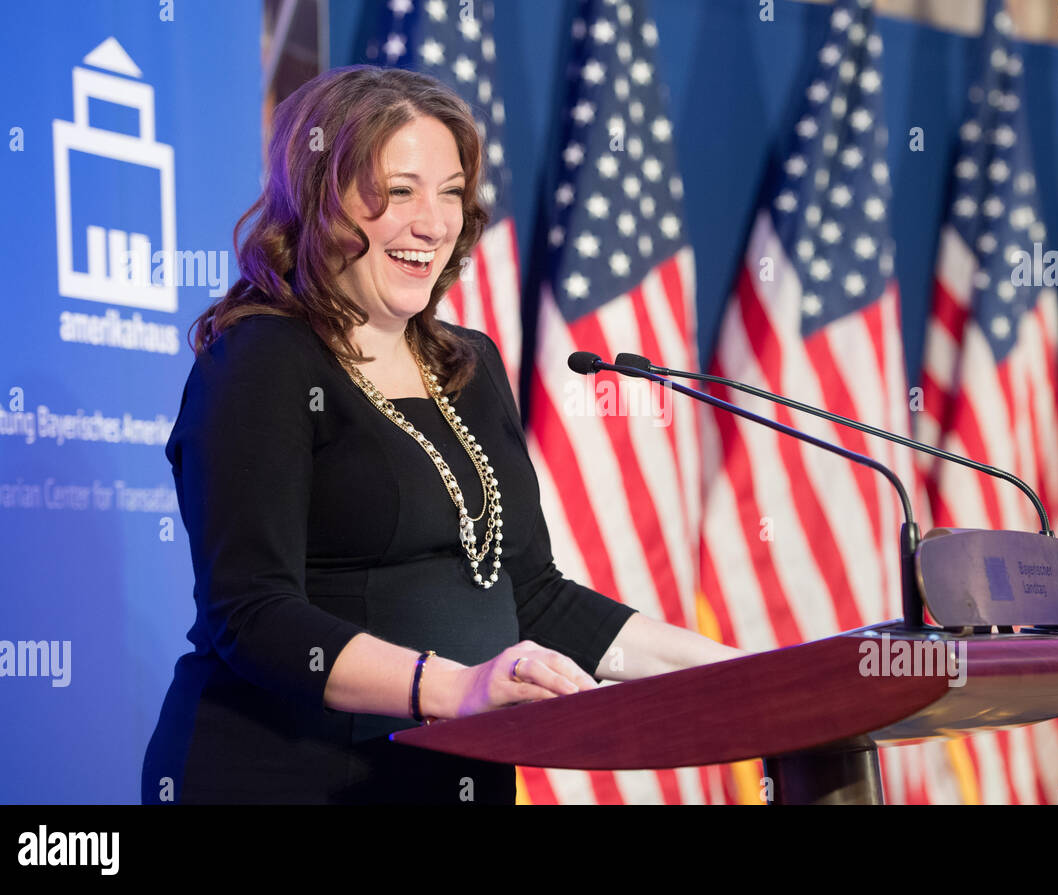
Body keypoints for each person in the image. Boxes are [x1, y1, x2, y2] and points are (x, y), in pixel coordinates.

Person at [141, 65, 745, 805]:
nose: (432, 221)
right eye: (398, 190)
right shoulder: (261, 359)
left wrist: (744, 675)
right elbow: (253, 612)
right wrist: (454, 685)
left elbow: (531, 594)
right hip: (286, 776)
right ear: (318, 195)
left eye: (451, 191)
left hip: (451, 773)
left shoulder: (468, 364)